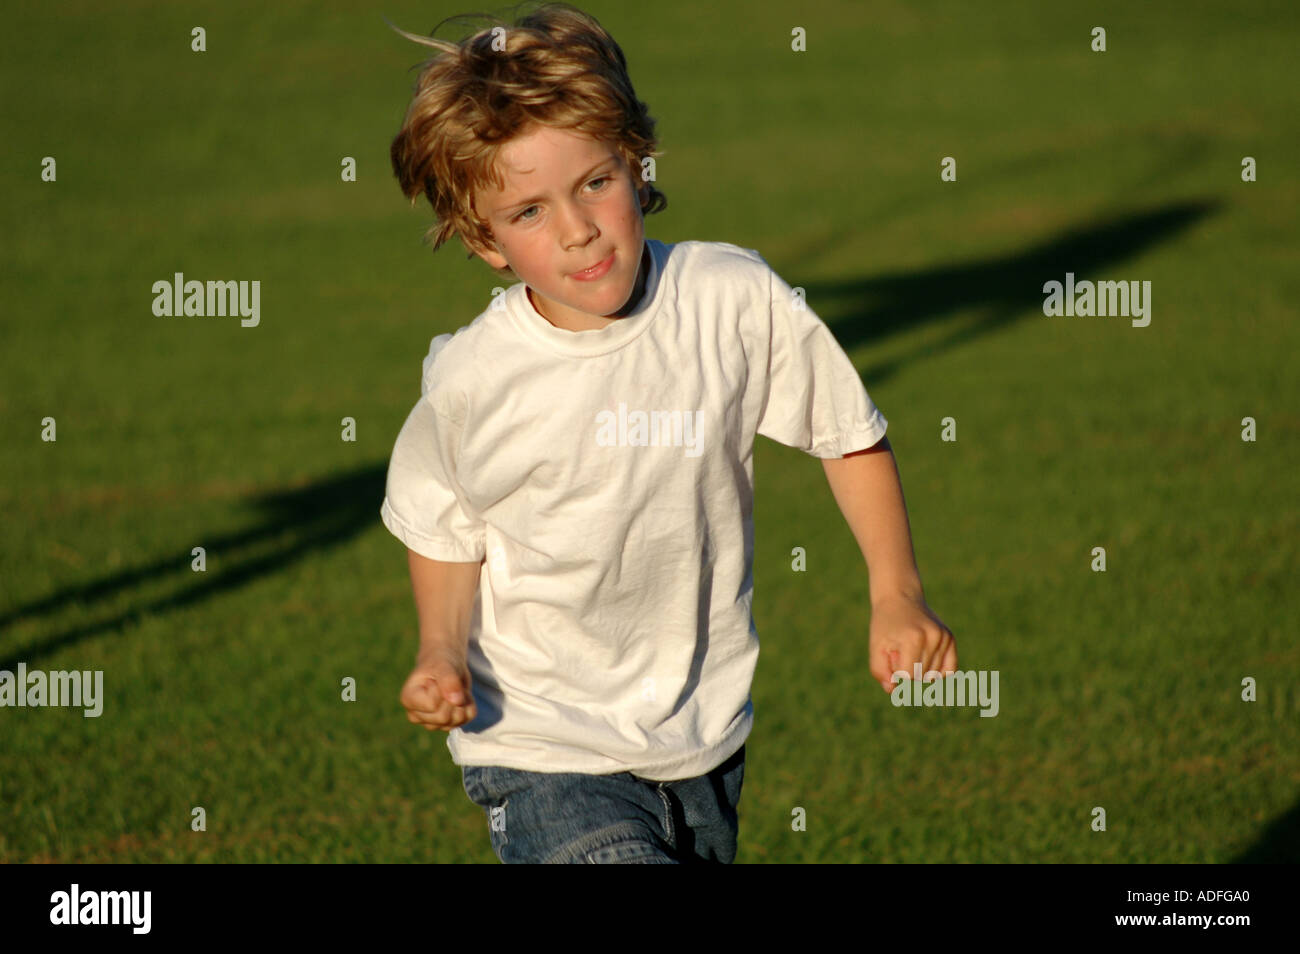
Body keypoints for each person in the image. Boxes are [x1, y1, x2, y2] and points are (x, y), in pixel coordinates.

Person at [380, 2, 956, 864]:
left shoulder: (730, 298)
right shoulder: (474, 377)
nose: (577, 228)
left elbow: (847, 433)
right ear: (485, 240)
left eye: (594, 184)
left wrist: (895, 591)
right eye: (529, 212)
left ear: (635, 162)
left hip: (703, 734)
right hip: (541, 744)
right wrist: (438, 649)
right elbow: (442, 523)